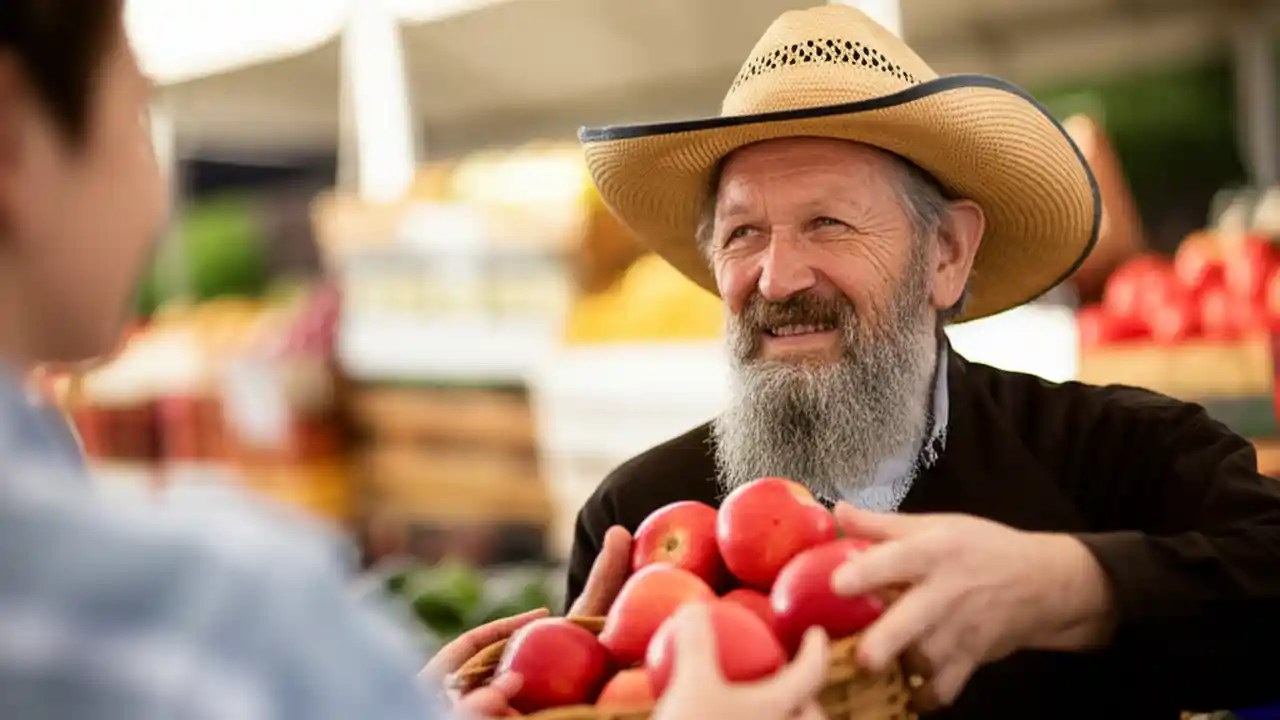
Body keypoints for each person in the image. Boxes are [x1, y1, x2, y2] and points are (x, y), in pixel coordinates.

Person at [0, 3, 828, 719]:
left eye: (828, 224)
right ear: (11, 143)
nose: (155, 198)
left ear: (947, 253)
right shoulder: (210, 619)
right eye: (136, 117)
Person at [565, 5, 1280, 719]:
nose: (777, 278)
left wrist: (1070, 585)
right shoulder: (635, 522)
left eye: (828, 224)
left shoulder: (1119, 454)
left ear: (946, 254)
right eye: (743, 233)